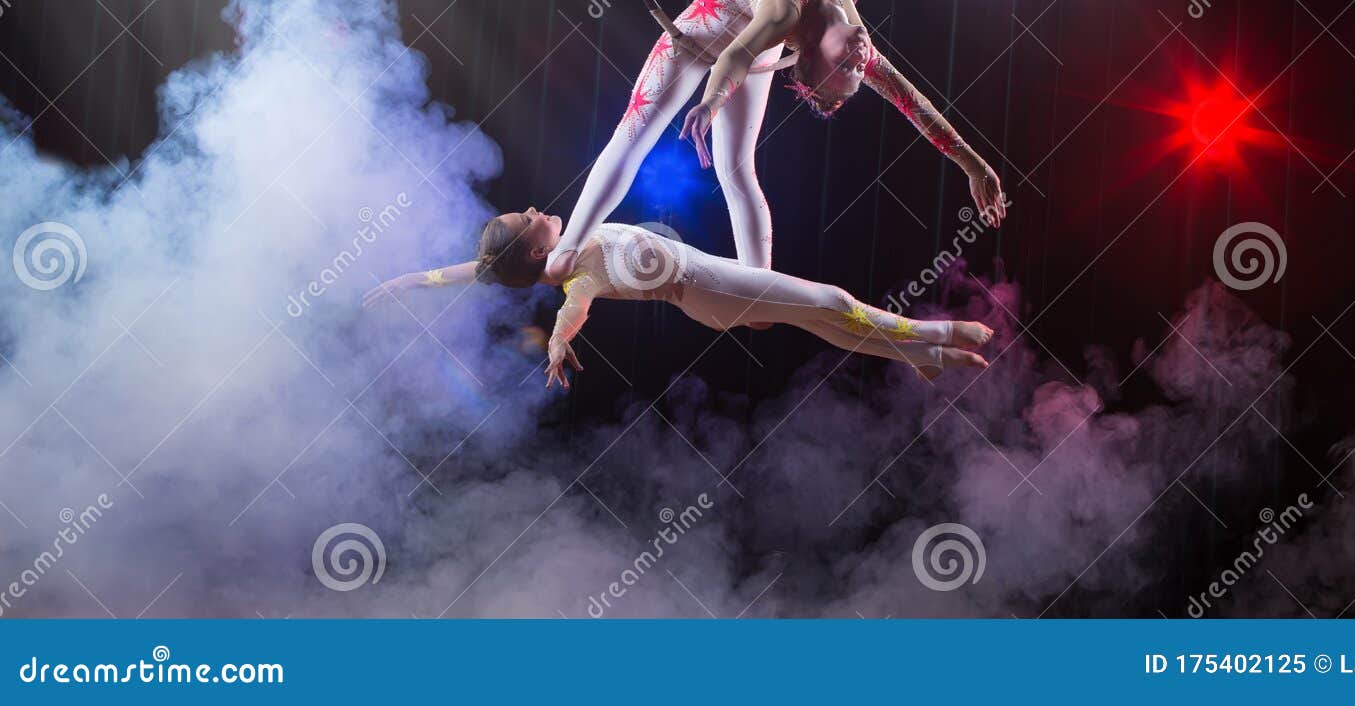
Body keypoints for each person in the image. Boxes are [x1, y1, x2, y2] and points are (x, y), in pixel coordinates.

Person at [544, 0, 1007, 284]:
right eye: (856, 69)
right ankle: (566, 253)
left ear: (811, 54)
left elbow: (741, 54)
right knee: (635, 133)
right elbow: (734, 52)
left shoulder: (795, 17)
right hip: (701, 35)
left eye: (846, 66)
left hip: (748, 50)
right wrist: (709, 102)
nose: (861, 60)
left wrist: (973, 164)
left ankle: (759, 286)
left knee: (738, 169)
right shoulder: (814, 14)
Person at [365, 207, 993, 388]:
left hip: (709, 285)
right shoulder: (577, 274)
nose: (536, 208)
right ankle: (939, 336)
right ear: (535, 251)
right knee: (829, 302)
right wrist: (557, 348)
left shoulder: (557, 258)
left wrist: (411, 281)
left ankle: (926, 358)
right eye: (528, 217)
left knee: (822, 322)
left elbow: (478, 269)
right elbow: (568, 315)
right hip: (707, 289)